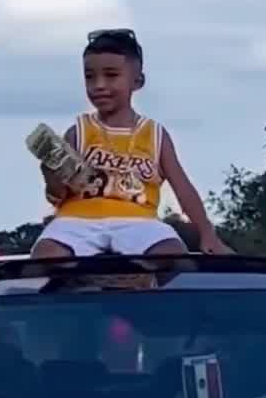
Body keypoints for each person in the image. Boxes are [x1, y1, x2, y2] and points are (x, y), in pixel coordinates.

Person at [32, 29, 228, 259]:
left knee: (171, 255)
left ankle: (134, 287)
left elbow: (183, 188)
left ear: (138, 81)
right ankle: (82, 289)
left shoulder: (155, 134)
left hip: (139, 220)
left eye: (111, 75)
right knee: (46, 254)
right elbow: (58, 194)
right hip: (78, 219)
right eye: (89, 77)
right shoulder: (79, 131)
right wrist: (51, 175)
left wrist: (207, 233)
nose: (99, 85)